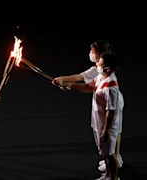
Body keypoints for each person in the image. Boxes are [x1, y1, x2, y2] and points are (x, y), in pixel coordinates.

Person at [52, 40, 123, 172]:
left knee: (110, 134)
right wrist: (64, 81)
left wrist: (66, 81)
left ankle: (113, 162)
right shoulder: (100, 69)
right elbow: (85, 82)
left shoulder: (103, 73)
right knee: (114, 133)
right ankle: (113, 158)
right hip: (106, 101)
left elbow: (82, 81)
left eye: (93, 52)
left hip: (109, 103)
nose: (90, 54)